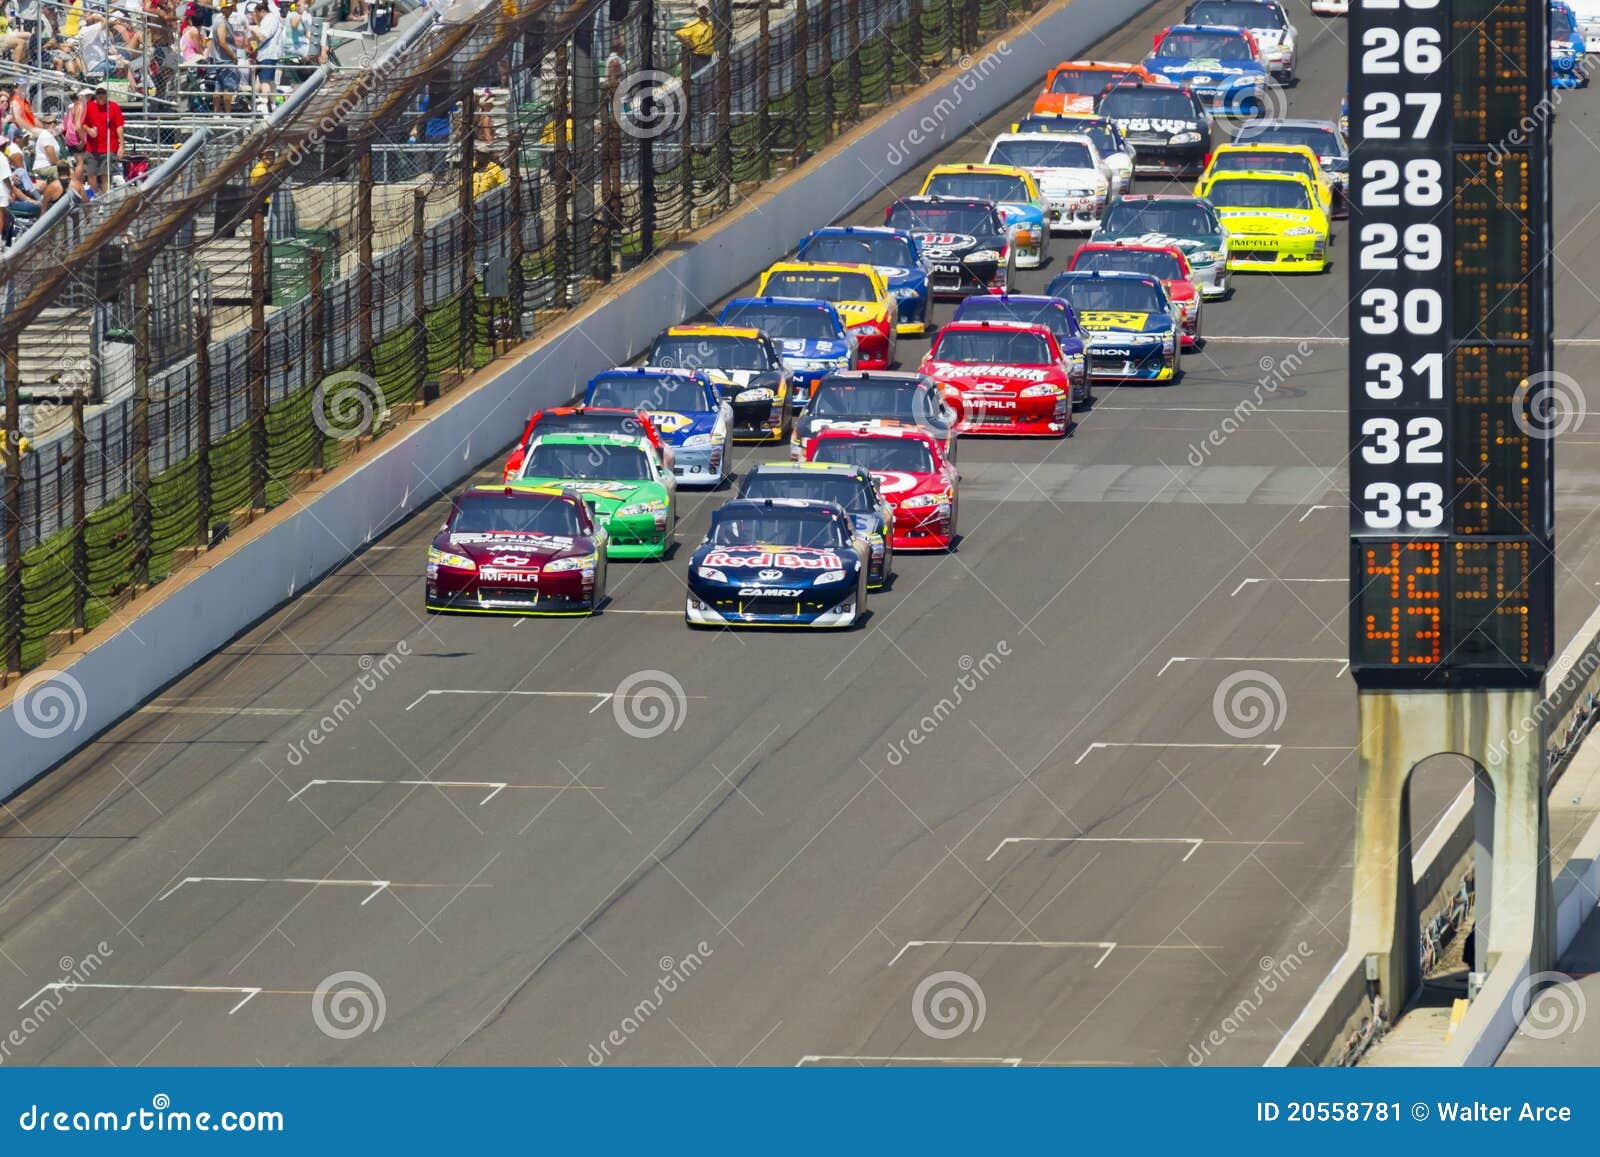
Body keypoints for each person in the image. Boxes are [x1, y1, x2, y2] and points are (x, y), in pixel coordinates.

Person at [80, 82, 122, 195]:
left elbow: (119, 126)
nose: (101, 95)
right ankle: (95, 197)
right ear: (96, 94)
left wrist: (122, 145)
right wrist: (89, 130)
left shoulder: (113, 107)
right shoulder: (89, 107)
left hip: (109, 146)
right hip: (92, 148)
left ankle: (105, 198)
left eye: (103, 93)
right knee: (91, 175)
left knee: (105, 175)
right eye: (99, 93)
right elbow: (83, 123)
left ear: (107, 94)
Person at [206, 5, 238, 111]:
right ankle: (227, 114)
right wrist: (233, 56)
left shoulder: (218, 21)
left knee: (218, 88)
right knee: (227, 88)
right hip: (226, 60)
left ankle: (216, 113)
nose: (232, 10)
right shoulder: (222, 23)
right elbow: (222, 42)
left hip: (220, 60)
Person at [250, 0, 283, 95]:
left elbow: (262, 37)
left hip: (268, 55)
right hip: (266, 55)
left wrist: (250, 29)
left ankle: (267, 104)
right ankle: (267, 103)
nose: (254, 16)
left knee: (265, 81)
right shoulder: (269, 19)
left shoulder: (269, 19)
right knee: (262, 80)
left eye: (256, 14)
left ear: (262, 12)